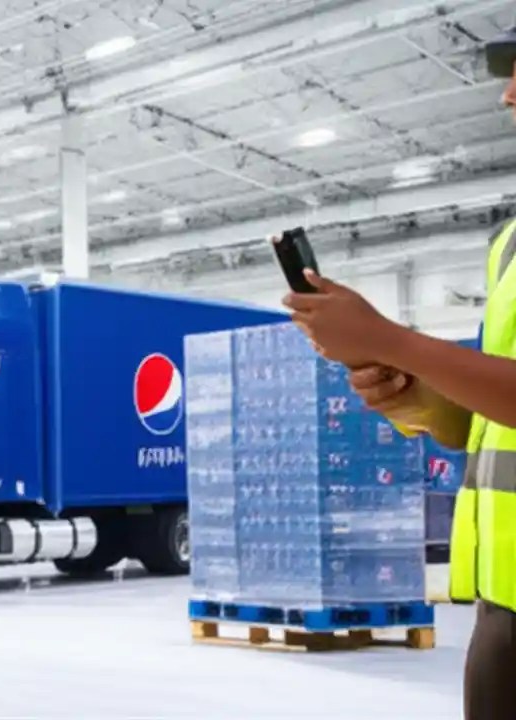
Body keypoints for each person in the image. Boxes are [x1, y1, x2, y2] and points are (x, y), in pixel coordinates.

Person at [282, 27, 516, 720]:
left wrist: (392, 338)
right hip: (500, 604)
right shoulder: (508, 246)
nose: (507, 96)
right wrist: (415, 398)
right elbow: (478, 429)